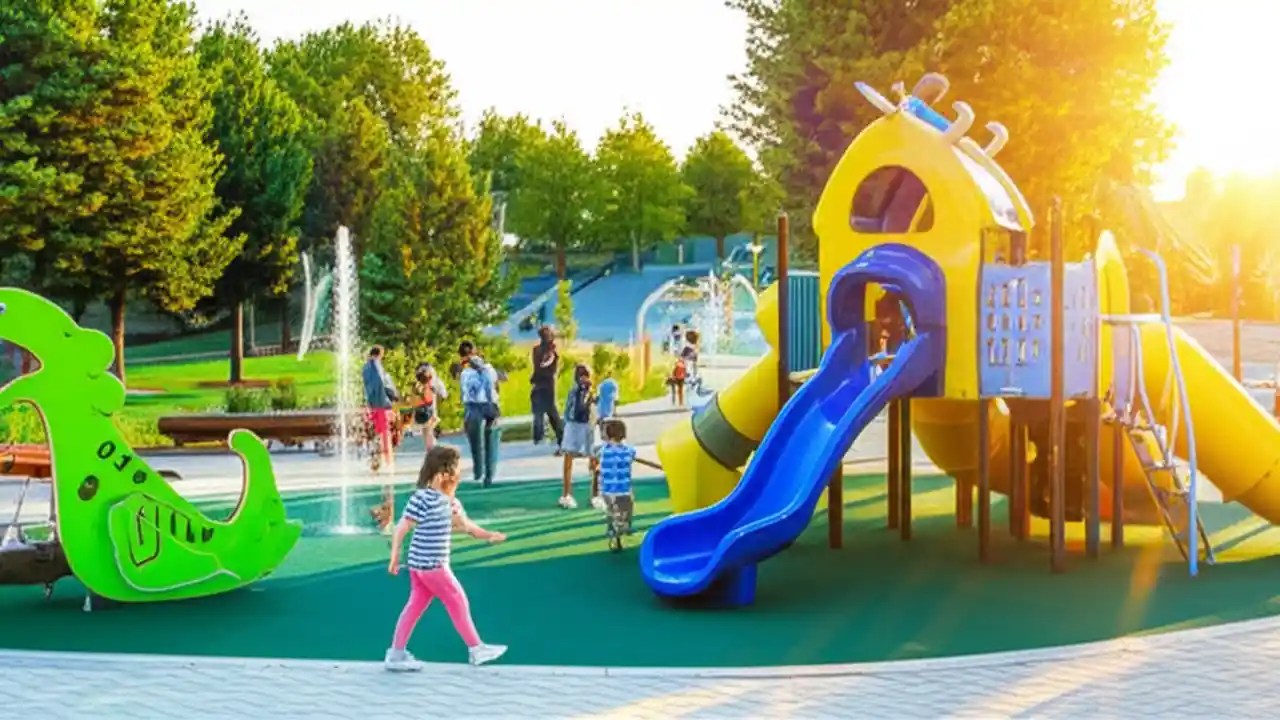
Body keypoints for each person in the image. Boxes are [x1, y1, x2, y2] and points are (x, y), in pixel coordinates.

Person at [385, 445, 508, 671]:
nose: (458, 476)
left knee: (414, 606)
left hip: (417, 565)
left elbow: (467, 526)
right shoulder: (433, 499)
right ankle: (476, 648)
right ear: (444, 474)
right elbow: (402, 527)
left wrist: (489, 535)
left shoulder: (442, 501)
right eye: (456, 471)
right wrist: (394, 556)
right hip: (433, 565)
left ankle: (396, 654)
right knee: (457, 600)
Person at [592, 419, 661, 547]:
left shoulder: (602, 451)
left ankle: (613, 528)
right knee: (627, 509)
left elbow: (596, 468)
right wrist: (660, 467)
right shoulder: (628, 450)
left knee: (612, 510)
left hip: (607, 490)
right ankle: (624, 526)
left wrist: (595, 491)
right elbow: (638, 459)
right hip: (623, 489)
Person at [458, 341, 500, 487]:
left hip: (472, 407)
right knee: (491, 439)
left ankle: (478, 471)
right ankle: (489, 475)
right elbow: (496, 387)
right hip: (490, 405)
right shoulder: (489, 368)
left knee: (475, 442)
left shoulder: (464, 373)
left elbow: (464, 393)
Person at [558, 364, 596, 509]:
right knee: (571, 458)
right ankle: (568, 494)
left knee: (593, 458)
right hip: (577, 425)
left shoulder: (587, 391)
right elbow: (576, 409)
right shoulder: (579, 391)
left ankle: (593, 495)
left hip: (583, 425)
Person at [361, 345, 399, 474]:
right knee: (385, 435)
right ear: (380, 354)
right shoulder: (377, 366)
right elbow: (383, 383)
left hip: (372, 406)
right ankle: (388, 462)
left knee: (375, 435)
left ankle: (376, 462)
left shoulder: (365, 367)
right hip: (382, 404)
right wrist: (393, 395)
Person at [529, 326, 563, 449]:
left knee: (543, 412)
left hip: (542, 383)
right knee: (550, 412)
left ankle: (540, 438)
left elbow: (542, 365)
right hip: (547, 384)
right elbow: (545, 364)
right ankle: (559, 437)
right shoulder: (550, 350)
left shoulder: (540, 350)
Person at [410, 363, 447, 450]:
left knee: (427, 433)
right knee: (429, 432)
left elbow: (413, 400)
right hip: (430, 411)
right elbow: (443, 395)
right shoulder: (434, 383)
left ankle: (431, 451)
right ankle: (432, 450)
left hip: (422, 412)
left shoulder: (418, 385)